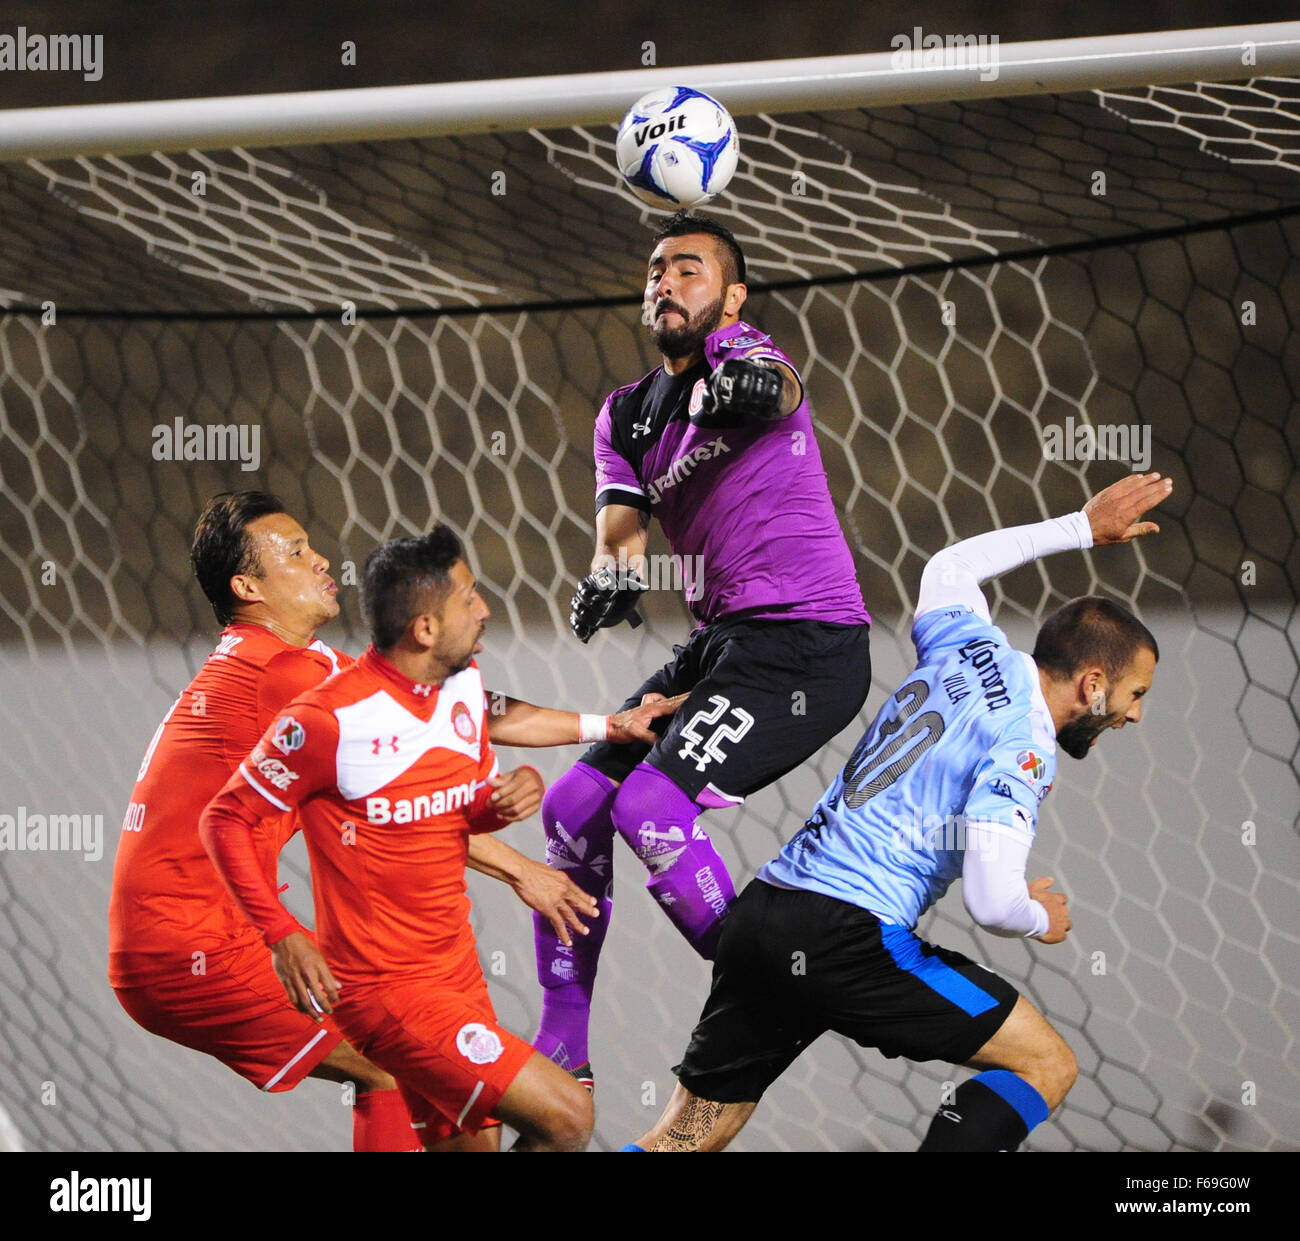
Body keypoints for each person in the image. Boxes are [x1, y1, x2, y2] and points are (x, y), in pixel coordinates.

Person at [110, 492, 673, 1151]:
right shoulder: (278, 674)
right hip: (191, 945)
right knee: (386, 1055)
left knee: (441, 1088)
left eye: (309, 544)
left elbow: (432, 711)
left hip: (185, 938)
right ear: (247, 586)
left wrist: (610, 724)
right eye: (294, 553)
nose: (321, 560)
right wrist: (525, 870)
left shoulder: (290, 666)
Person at [627, 472, 1172, 1152]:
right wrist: (1038, 917)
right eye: (1135, 693)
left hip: (768, 913)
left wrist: (1079, 529)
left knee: (682, 1138)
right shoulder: (1025, 745)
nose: (1135, 713)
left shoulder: (968, 643)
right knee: (1047, 1064)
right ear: (1093, 683)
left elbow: (951, 565)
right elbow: (992, 901)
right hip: (848, 937)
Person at [534, 211, 873, 1088]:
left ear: (731, 296)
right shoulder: (625, 414)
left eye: (689, 269)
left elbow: (780, 388)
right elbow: (620, 535)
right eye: (655, 269)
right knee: (574, 804)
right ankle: (563, 1043)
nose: (665, 282)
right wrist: (611, 575)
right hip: (721, 642)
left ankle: (771, 986)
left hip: (807, 643)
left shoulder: (747, 353)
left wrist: (743, 388)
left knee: (650, 806)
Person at [201, 526, 595, 1151]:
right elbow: (224, 819)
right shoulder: (325, 721)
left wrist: (501, 802)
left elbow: (443, 819)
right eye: (468, 598)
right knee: (569, 1115)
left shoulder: (460, 689)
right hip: (384, 990)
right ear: (425, 629)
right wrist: (282, 935)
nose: (485, 609)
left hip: (456, 969)